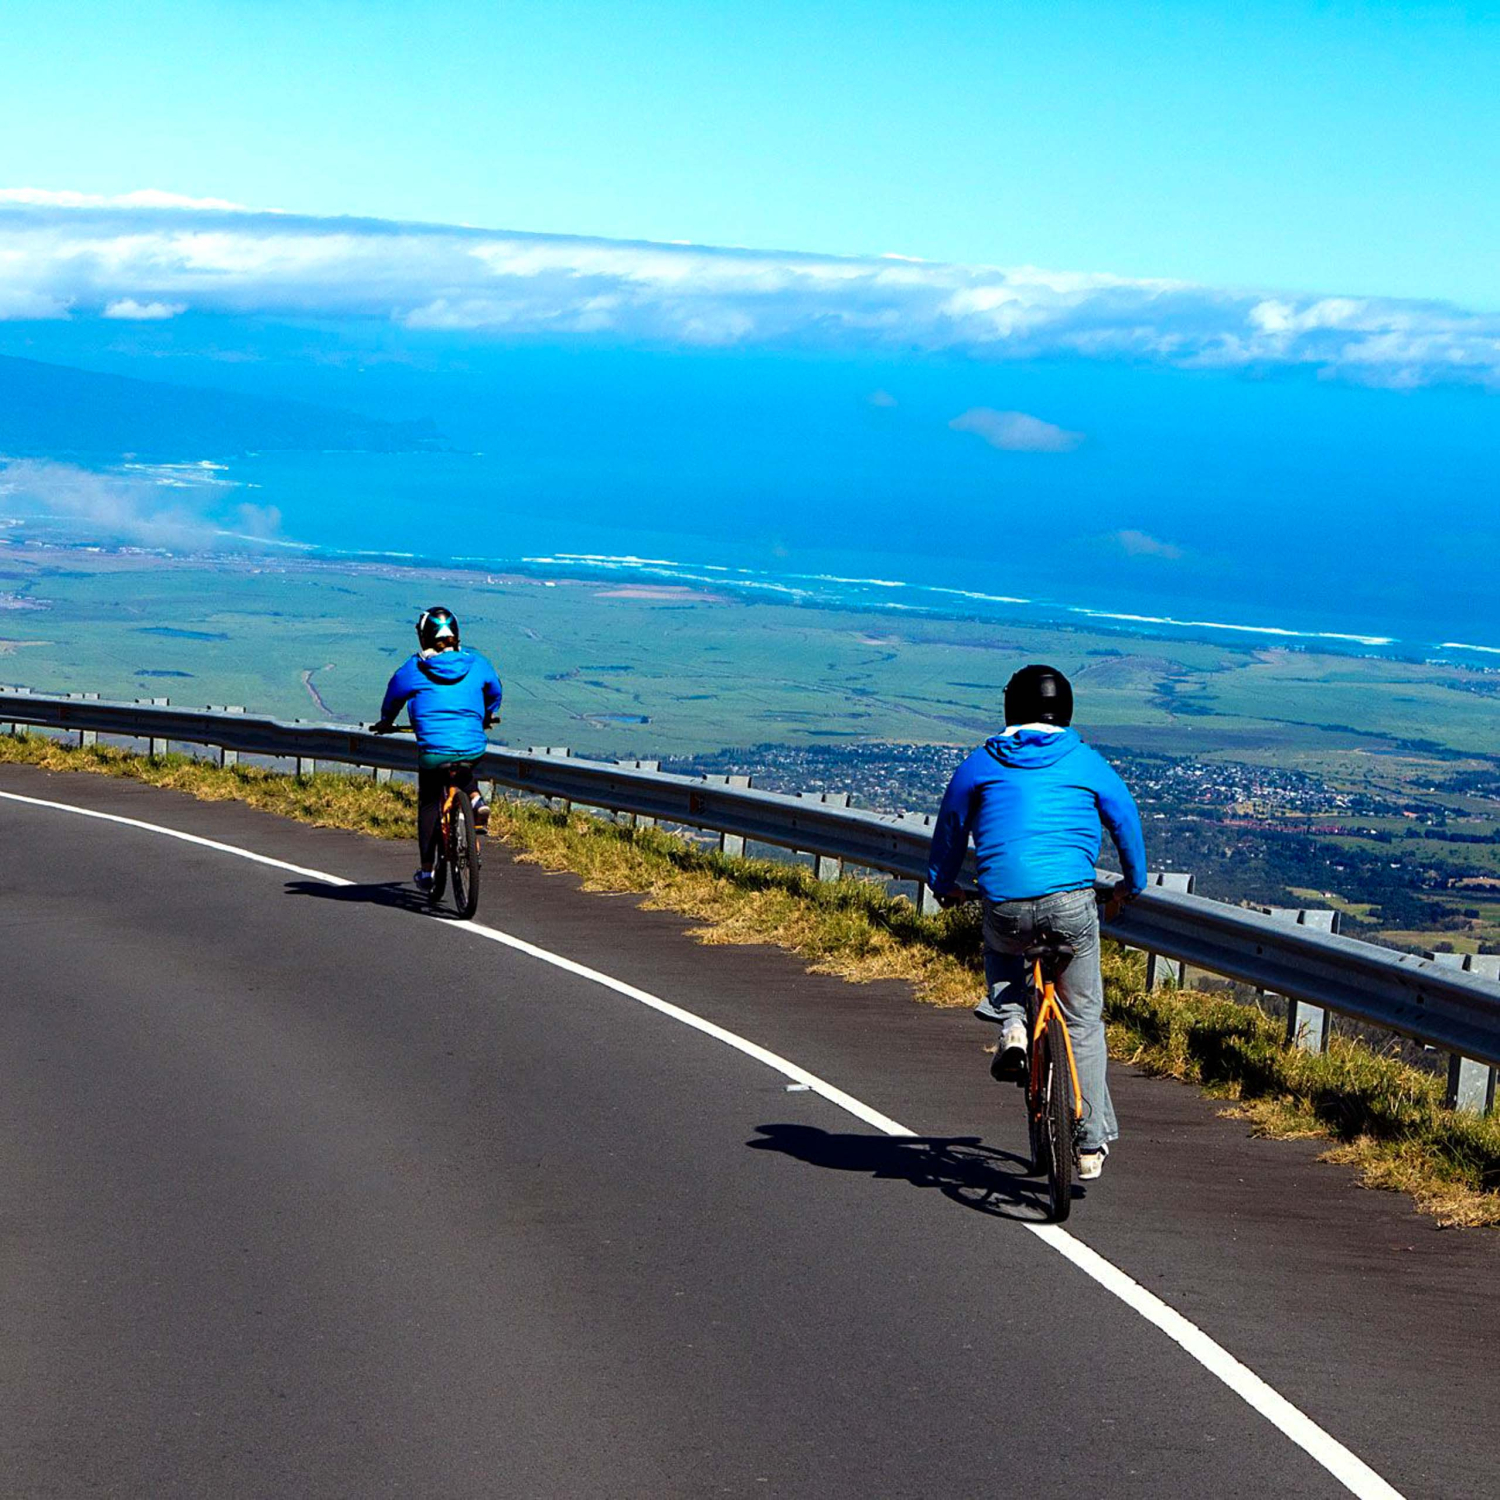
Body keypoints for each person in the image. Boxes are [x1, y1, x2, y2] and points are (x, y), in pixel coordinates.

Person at [926, 664, 1146, 1182]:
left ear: (1011, 708)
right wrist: (1129, 886)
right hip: (1071, 905)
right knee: (1084, 1021)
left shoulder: (980, 764)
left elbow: (951, 830)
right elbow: (1126, 821)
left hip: (1003, 901)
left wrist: (943, 884)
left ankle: (1012, 1026)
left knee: (1000, 945)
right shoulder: (1087, 762)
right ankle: (1089, 1145)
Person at [374, 607, 503, 893]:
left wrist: (386, 722)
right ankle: (474, 799)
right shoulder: (477, 662)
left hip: (433, 750)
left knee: (430, 801)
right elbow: (495, 690)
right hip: (472, 744)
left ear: (424, 637)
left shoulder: (414, 668)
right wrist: (487, 714)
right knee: (465, 763)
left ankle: (427, 871)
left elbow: (393, 696)